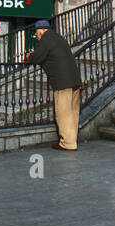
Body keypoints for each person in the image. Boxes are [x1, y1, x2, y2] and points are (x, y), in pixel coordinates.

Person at [22, 20, 82, 151]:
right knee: (73, 112)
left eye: (37, 34)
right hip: (75, 80)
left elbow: (36, 58)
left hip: (62, 81)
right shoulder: (58, 37)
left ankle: (67, 143)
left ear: (41, 31)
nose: (37, 37)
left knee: (63, 113)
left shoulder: (46, 39)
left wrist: (28, 57)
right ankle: (72, 140)